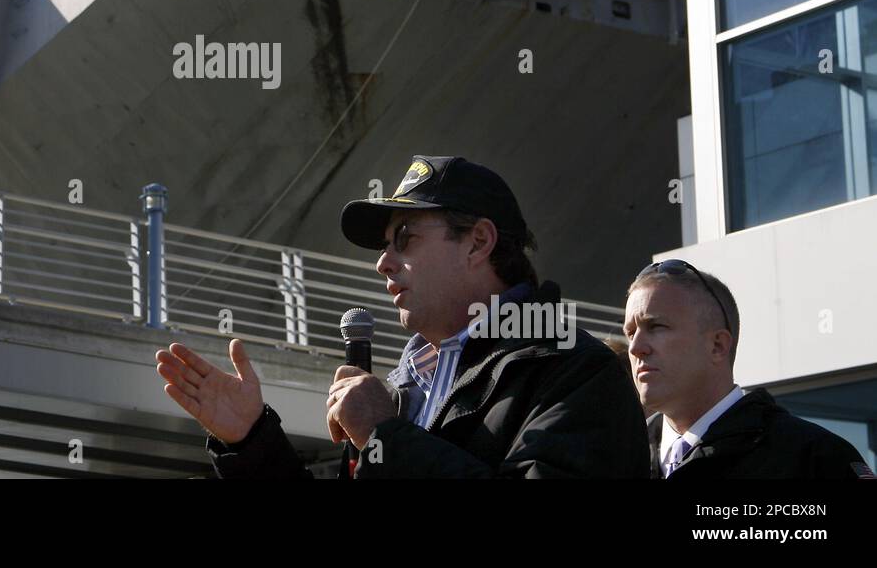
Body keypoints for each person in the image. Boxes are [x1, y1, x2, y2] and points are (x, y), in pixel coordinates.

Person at [155, 155, 651, 478]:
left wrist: (386, 435)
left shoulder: (574, 369)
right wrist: (252, 442)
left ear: (478, 241)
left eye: (406, 238)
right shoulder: (401, 386)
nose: (383, 261)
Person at [625, 259, 874, 479]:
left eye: (656, 327)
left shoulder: (814, 458)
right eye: (630, 332)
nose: (636, 348)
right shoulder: (613, 457)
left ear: (717, 346)